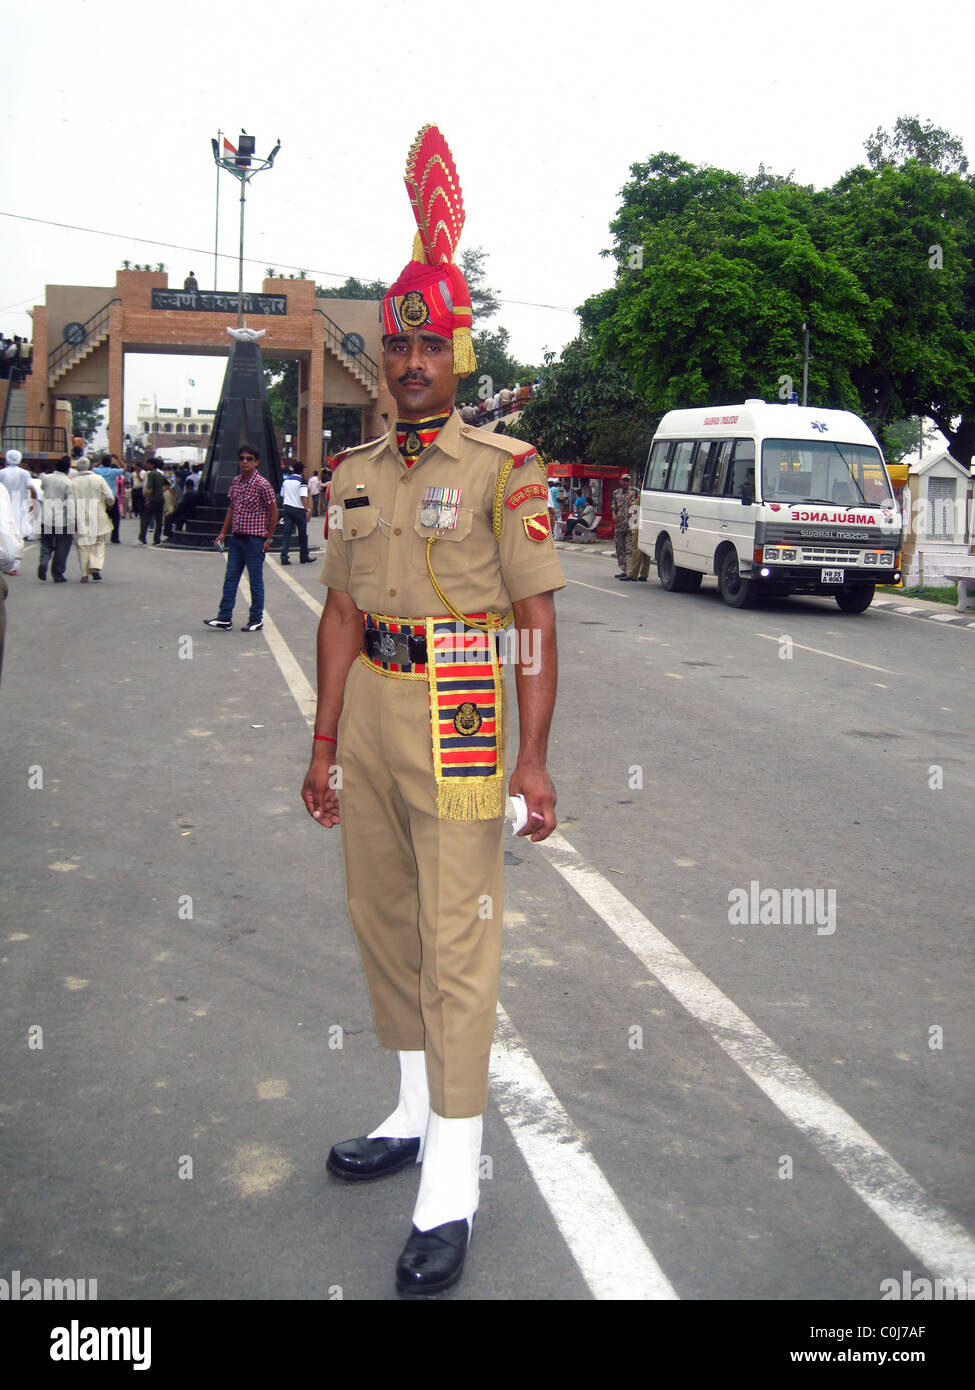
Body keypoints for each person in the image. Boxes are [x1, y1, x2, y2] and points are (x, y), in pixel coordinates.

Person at [300, 123, 563, 1299]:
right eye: (396, 343)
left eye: (429, 343)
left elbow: (536, 623)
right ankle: (410, 1112)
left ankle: (451, 1181)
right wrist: (320, 740)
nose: (410, 361)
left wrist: (535, 760)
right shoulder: (355, 472)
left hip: (463, 689)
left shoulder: (509, 467)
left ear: (458, 352)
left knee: (458, 943)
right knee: (385, 921)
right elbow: (341, 614)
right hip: (371, 706)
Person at [204, 443, 278, 632]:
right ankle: (224, 617)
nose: (244, 462)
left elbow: (273, 512)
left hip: (255, 541)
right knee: (230, 579)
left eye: (249, 459)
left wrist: (268, 538)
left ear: (256, 462)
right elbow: (231, 507)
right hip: (236, 539)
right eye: (242, 458)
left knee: (255, 581)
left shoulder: (263, 485)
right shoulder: (236, 482)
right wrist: (223, 532)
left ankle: (256, 619)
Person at [70, 457, 114, 581]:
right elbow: (110, 497)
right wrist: (109, 504)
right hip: (98, 515)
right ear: (90, 467)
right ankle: (95, 566)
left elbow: (70, 502)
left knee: (82, 545)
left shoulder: (73, 482)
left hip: (80, 516)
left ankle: (84, 573)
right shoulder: (98, 479)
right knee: (98, 542)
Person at [37, 457, 74, 582]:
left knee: (46, 544)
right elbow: (70, 504)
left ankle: (43, 562)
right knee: (61, 547)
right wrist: (72, 522)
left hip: (46, 518)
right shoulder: (68, 483)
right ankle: (57, 573)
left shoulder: (47, 478)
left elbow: (42, 485)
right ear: (68, 469)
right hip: (62, 521)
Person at [278, 461, 311, 565]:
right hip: (299, 509)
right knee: (302, 534)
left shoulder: (286, 481)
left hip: (287, 508)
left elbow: (282, 495)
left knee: (287, 534)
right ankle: (304, 556)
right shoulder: (302, 481)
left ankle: (284, 557)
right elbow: (303, 497)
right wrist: (307, 509)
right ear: (302, 471)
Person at [93, 454, 125, 543]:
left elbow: (91, 467)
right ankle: (114, 537)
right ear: (110, 463)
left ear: (102, 463)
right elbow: (125, 468)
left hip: (101, 496)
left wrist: (100, 461)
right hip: (112, 496)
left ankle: (98, 536)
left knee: (99, 517)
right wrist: (118, 459)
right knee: (116, 518)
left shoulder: (98, 471)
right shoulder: (113, 471)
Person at [138, 458, 166, 545]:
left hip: (153, 499)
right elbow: (167, 485)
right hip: (160, 499)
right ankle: (157, 539)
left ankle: (142, 538)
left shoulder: (151, 474)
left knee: (145, 518)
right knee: (159, 520)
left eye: (148, 464)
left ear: (152, 465)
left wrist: (147, 499)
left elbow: (149, 488)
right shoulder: (161, 474)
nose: (146, 466)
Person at [612, 476, 634, 577]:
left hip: (630, 524)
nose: (625, 482)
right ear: (620, 481)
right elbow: (614, 506)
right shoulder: (616, 493)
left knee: (629, 549)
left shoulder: (634, 492)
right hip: (619, 523)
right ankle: (624, 569)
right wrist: (613, 514)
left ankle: (630, 571)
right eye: (624, 480)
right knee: (620, 547)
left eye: (627, 481)